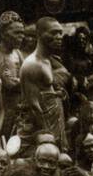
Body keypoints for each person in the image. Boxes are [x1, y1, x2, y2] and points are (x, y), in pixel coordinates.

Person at [20, 17, 70, 153]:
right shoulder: (32, 64)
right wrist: (48, 136)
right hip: (43, 127)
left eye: (60, 33)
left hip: (55, 121)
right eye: (53, 33)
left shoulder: (48, 60)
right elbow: (34, 105)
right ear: (39, 35)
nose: (59, 37)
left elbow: (47, 91)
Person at [0, 11, 25, 139]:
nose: (21, 37)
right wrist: (21, 81)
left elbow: (27, 78)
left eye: (22, 33)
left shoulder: (17, 53)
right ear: (3, 33)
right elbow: (9, 84)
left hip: (19, 108)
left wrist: (19, 80)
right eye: (17, 33)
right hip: (3, 109)